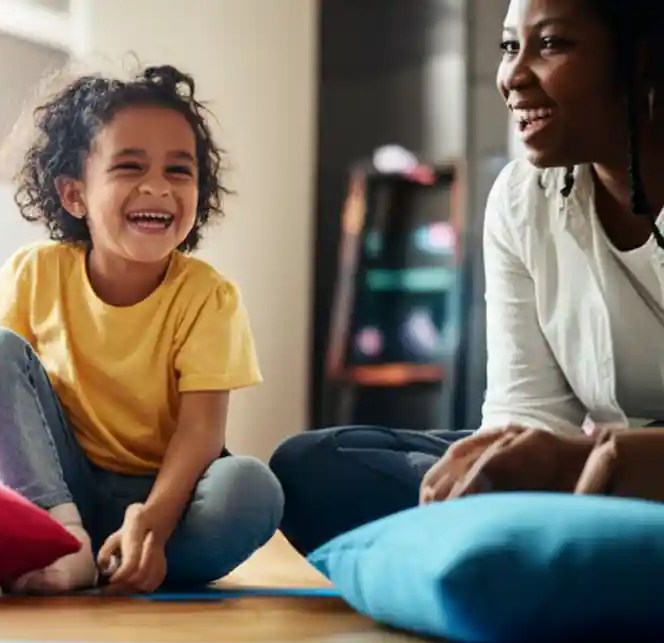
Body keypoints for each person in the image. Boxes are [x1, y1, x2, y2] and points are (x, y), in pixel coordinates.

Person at [271, 0, 664, 557]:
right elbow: (529, 415)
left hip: (620, 473)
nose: (513, 76)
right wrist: (500, 470)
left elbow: (561, 456)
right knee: (314, 466)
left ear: (643, 59)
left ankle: (532, 549)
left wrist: (597, 462)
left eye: (551, 44)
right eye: (509, 47)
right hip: (577, 476)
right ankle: (549, 545)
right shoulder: (520, 198)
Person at [0, 64, 282, 595]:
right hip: (63, 488)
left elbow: (201, 433)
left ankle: (130, 557)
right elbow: (4, 412)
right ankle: (59, 542)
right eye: (130, 167)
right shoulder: (34, 274)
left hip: (164, 494)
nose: (158, 187)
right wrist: (31, 509)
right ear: (74, 195)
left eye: (179, 171)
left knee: (254, 489)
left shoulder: (208, 297)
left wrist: (154, 519)